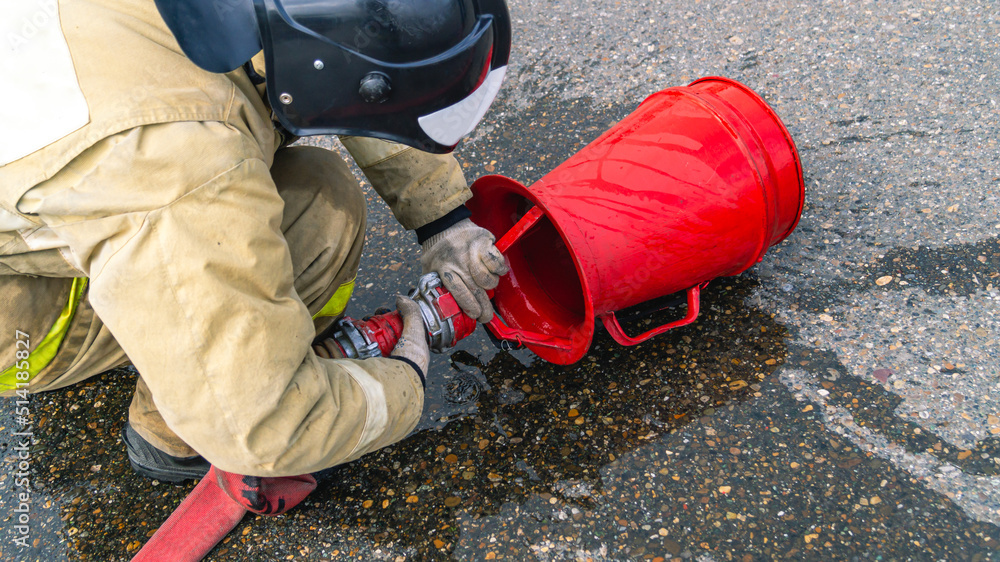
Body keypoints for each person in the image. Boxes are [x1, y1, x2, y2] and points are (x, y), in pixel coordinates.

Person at [0, 0, 511, 482]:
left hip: (69, 151)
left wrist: (443, 218)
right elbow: (268, 428)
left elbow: (354, 50)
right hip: (18, 323)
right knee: (321, 220)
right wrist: (402, 382)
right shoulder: (178, 172)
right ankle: (172, 438)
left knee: (308, 192)